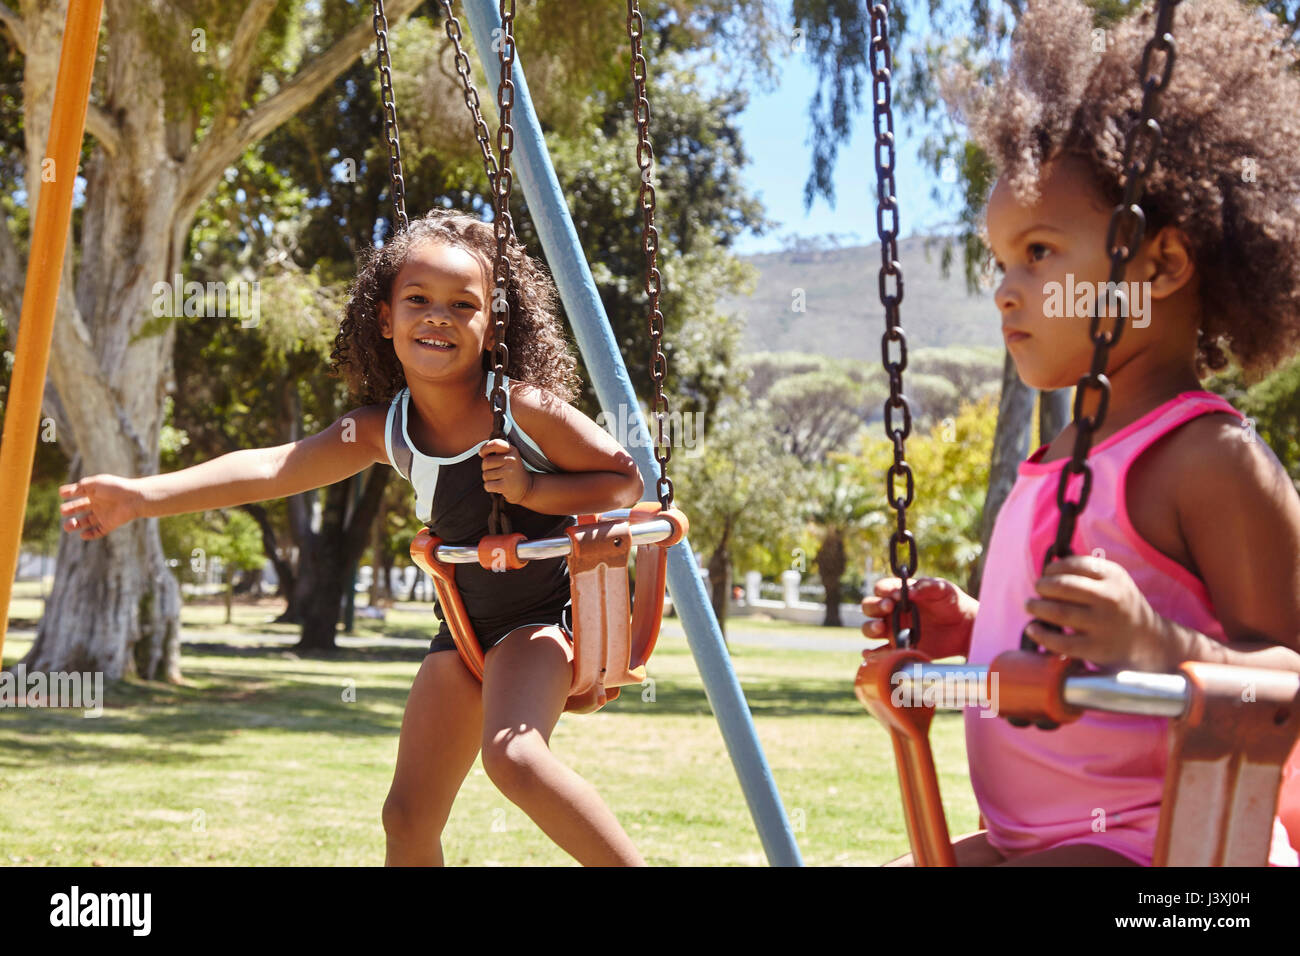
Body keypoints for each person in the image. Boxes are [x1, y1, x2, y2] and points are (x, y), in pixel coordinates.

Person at [58, 209, 649, 866]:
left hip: (542, 619)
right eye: (417, 300)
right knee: (406, 815)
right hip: (463, 627)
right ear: (384, 319)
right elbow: (272, 467)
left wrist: (535, 493)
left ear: (493, 324)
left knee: (514, 759)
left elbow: (623, 482)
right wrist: (141, 497)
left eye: (463, 304)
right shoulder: (383, 429)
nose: (437, 316)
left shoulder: (524, 409)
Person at [862, 0, 1300, 866]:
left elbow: (1287, 678)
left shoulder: (1213, 459)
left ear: (1162, 266)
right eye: (999, 260)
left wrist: (1158, 648)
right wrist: (979, 631)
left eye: (1038, 252)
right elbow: (1069, 653)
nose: (1005, 290)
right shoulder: (1055, 462)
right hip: (1031, 842)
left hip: (1172, 853)